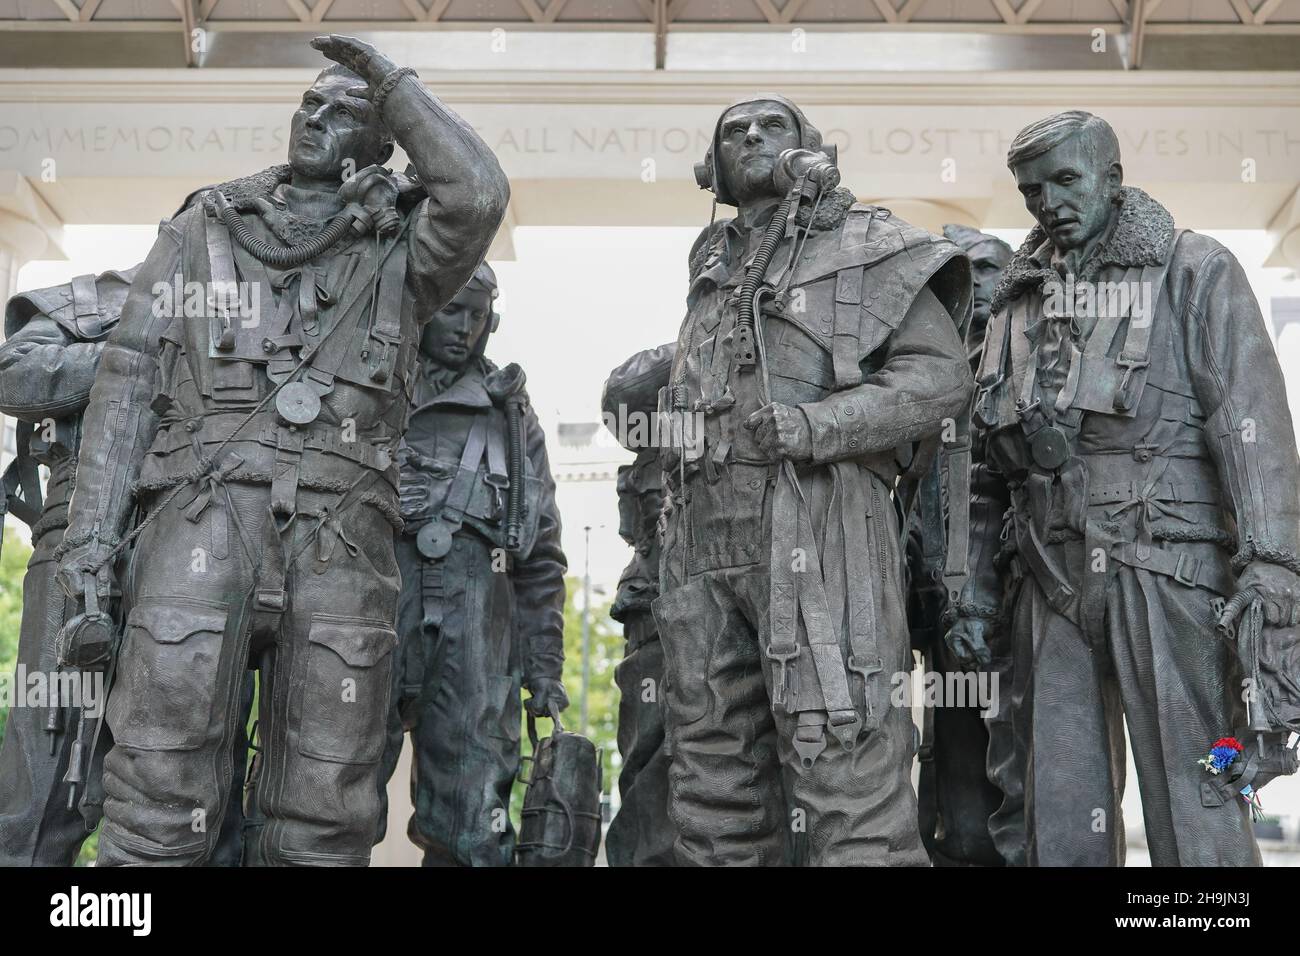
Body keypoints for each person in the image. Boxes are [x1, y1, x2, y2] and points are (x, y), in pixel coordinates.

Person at [53, 34, 508, 866]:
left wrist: (392, 84)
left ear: (381, 145)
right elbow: (124, 378)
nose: (315, 119)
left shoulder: (405, 248)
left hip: (342, 539)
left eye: (345, 113)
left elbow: (477, 193)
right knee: (156, 791)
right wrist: (88, 544)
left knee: (323, 812)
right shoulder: (203, 225)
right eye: (310, 104)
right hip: (198, 521)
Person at [946, 110, 1300, 866]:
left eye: (1066, 181)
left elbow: (1253, 425)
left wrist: (1272, 566)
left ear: (1112, 178)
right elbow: (983, 469)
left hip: (1169, 567)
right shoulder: (1016, 302)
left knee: (1200, 787)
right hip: (1045, 574)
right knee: (1054, 806)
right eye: (1031, 190)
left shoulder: (1193, 267)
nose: (1048, 203)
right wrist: (973, 589)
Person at [653, 94, 973, 865]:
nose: (753, 136)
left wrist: (817, 426)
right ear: (715, 167)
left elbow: (940, 380)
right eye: (735, 129)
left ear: (811, 146)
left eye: (773, 124)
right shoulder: (711, 263)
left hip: (820, 532)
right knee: (709, 781)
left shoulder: (877, 241)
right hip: (702, 546)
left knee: (845, 768)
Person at [377, 263, 567, 866]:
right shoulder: (369, 386)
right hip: (365, 623)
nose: (462, 328)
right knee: (323, 812)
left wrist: (544, 668)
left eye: (475, 315)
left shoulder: (510, 412)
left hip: (478, 644)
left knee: (472, 829)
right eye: (451, 310)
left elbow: (539, 556)